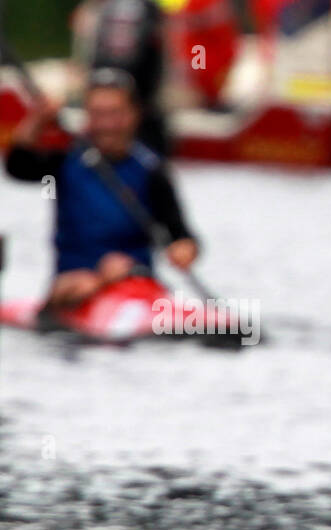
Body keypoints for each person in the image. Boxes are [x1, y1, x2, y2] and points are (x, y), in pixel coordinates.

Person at [3, 70, 198, 309]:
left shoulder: (152, 170)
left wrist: (184, 250)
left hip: (136, 286)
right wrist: (38, 120)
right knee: (83, 285)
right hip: (74, 288)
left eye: (114, 114)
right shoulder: (64, 161)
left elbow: (181, 235)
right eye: (98, 114)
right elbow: (18, 166)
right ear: (87, 116)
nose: (106, 125)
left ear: (134, 115)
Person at [78, 0, 170, 154]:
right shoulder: (151, 9)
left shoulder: (100, 8)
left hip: (133, 97)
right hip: (140, 100)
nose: (108, 125)